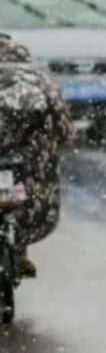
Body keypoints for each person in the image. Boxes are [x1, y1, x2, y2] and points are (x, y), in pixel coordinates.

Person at [0, 34, 74, 277]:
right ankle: (18, 249)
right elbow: (64, 130)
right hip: (29, 169)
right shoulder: (38, 80)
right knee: (21, 201)